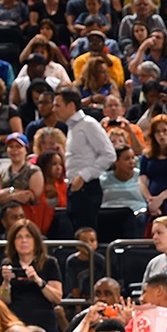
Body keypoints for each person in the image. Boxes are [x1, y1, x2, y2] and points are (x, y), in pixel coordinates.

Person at [0, 219, 62, 332]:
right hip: (16, 325)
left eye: (28, 236)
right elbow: (3, 300)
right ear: (13, 242)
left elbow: (57, 297)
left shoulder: (49, 263)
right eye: (19, 237)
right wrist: (6, 282)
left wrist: (38, 281)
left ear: (35, 240)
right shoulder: (7, 264)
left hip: (44, 326)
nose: (23, 241)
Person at [55, 88, 116, 231]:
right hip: (75, 189)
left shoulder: (88, 124)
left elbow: (109, 155)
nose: (54, 109)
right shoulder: (72, 127)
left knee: (86, 233)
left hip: (86, 189)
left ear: (71, 105)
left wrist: (83, 176)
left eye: (57, 105)